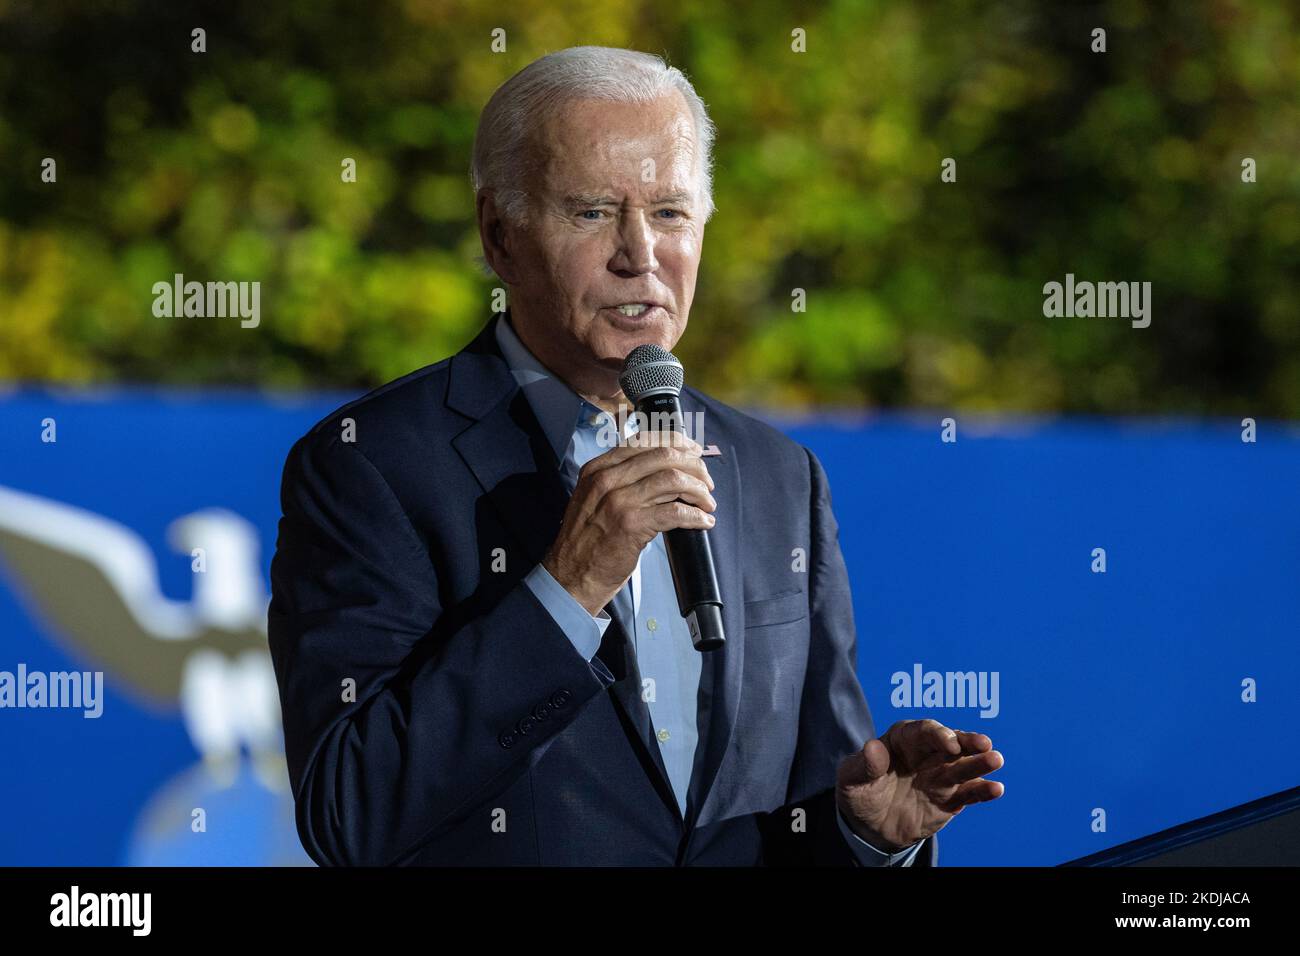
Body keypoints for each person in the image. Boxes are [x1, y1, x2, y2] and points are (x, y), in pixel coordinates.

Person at [267, 45, 1004, 867]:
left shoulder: (778, 477)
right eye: (591, 213)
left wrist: (867, 836)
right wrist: (567, 588)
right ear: (499, 235)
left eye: (670, 213)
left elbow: (795, 813)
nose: (640, 254)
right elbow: (348, 814)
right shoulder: (369, 464)